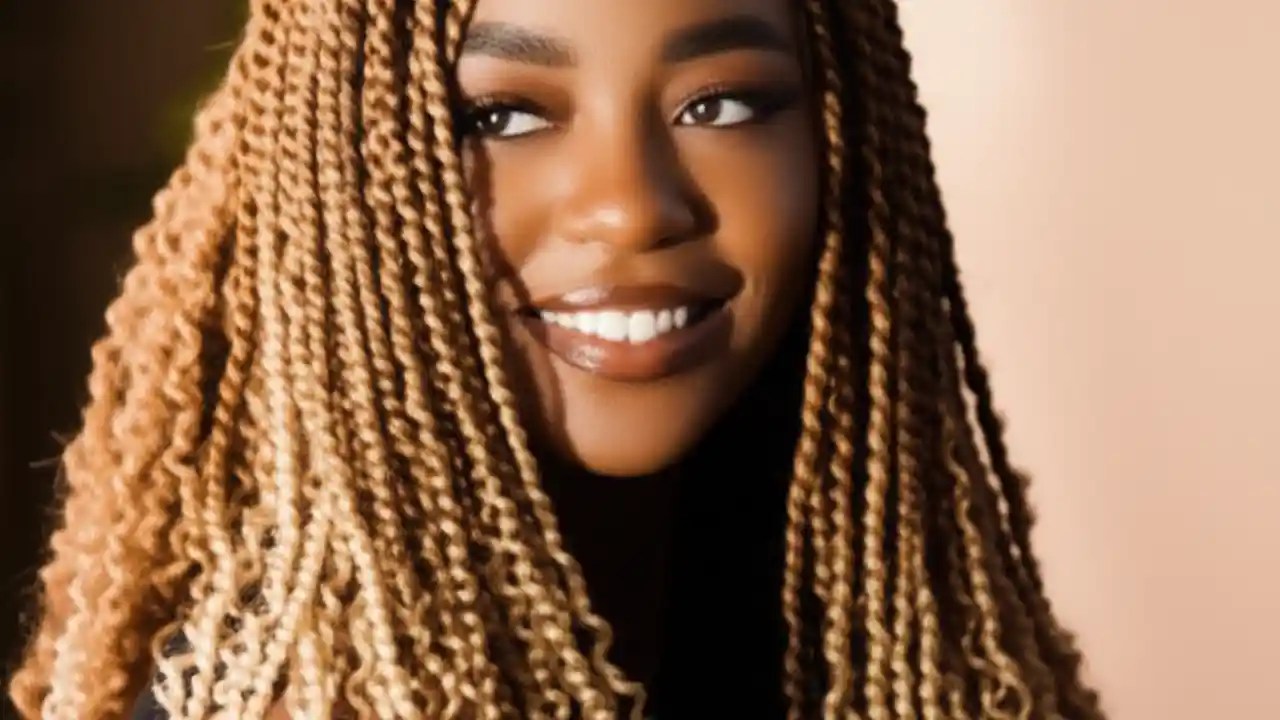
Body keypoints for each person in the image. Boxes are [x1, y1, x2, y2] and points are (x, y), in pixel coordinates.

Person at [8, 0, 1106, 717]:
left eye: (718, 104)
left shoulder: (895, 639)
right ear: (328, 178)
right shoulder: (273, 694)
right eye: (502, 116)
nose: (632, 208)